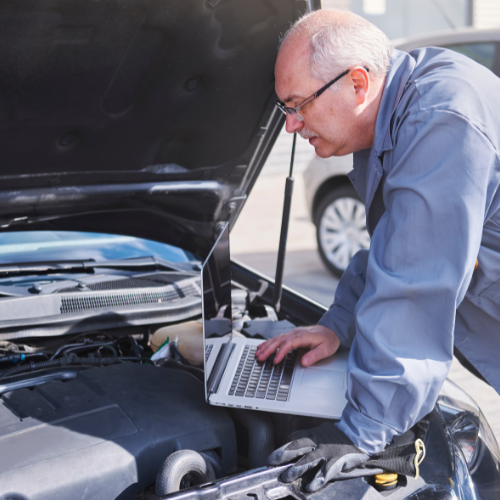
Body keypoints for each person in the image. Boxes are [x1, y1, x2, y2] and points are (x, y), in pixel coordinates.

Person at [256, 8, 500, 490]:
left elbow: (415, 283)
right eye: (287, 109)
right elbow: (397, 245)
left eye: (298, 104)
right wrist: (337, 326)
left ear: (358, 84)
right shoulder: (397, 115)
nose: (292, 124)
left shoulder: (440, 119)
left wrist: (361, 433)